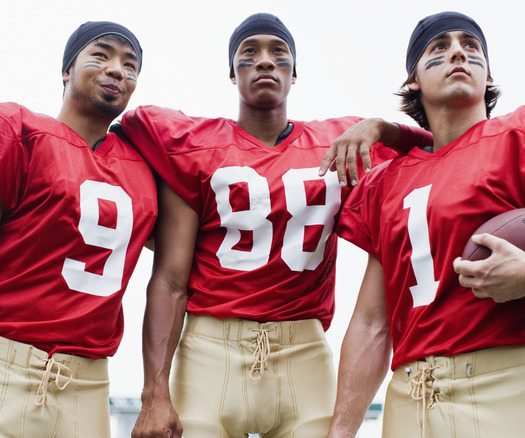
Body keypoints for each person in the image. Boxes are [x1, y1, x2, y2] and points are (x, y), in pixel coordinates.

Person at [120, 12, 432, 438]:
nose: (264, 61)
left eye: (278, 53)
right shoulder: (195, 143)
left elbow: (442, 150)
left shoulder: (341, 142)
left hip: (303, 349)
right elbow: (170, 282)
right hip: (211, 348)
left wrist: (382, 128)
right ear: (233, 73)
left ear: (294, 72)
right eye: (249, 53)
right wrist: (153, 391)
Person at [328, 11, 525, 438]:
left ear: (488, 75)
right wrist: (341, 431)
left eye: (472, 47)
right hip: (408, 400)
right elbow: (370, 323)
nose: (459, 51)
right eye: (439, 47)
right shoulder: (389, 181)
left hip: (503, 385)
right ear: (413, 79)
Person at [0, 21, 157, 438]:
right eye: (101, 55)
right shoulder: (18, 136)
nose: (118, 70)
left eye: (131, 66)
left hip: (90, 386)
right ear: (66, 69)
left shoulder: (144, 172)